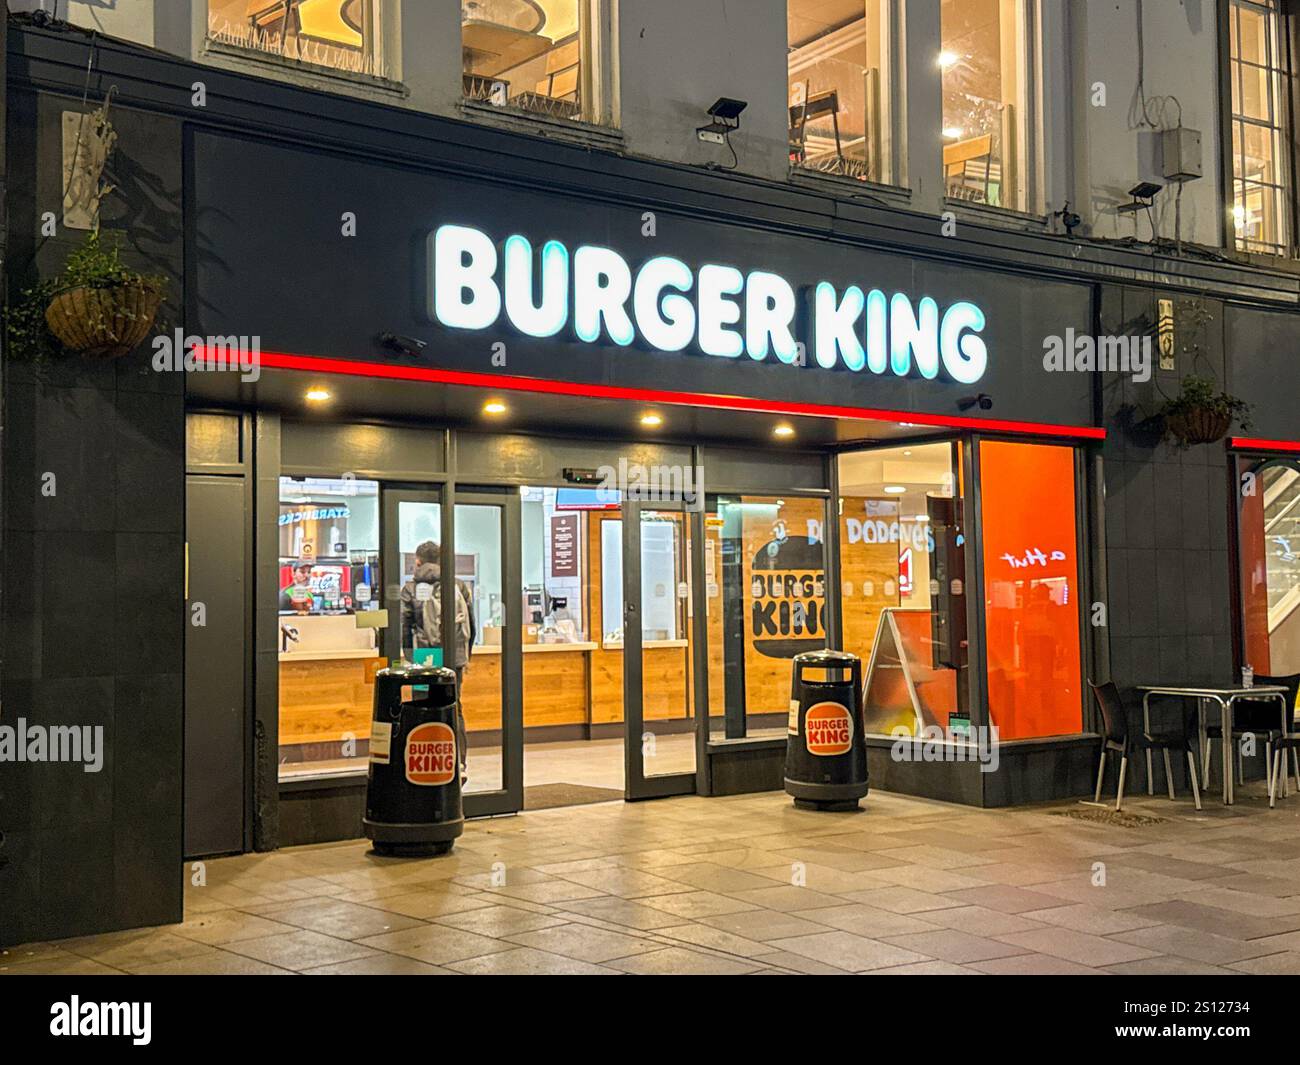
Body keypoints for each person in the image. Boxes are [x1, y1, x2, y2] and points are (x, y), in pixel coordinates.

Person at [400, 541, 475, 781]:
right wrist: (465, 656)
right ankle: (458, 763)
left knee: (422, 706)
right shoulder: (459, 585)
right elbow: (470, 626)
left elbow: (404, 628)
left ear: (418, 561)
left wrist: (412, 659)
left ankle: (425, 763)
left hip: (424, 657)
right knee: (455, 706)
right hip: (455, 657)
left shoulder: (410, 588)